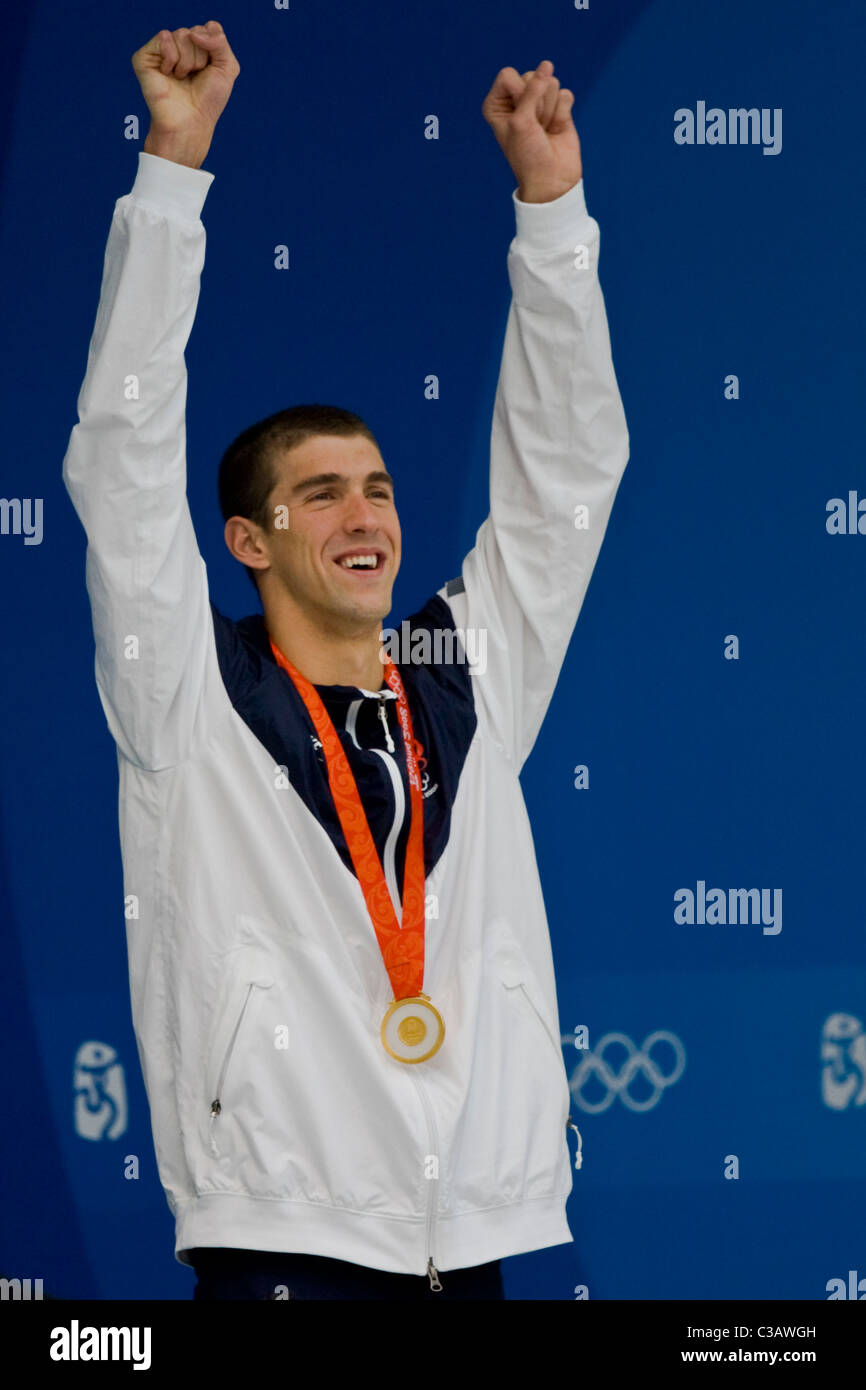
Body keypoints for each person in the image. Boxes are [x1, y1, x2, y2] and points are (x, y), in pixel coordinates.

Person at [62, 21, 630, 1300]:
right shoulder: (187, 697)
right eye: (318, 494)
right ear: (246, 540)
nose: (363, 514)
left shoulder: (464, 672)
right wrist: (171, 175)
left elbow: (568, 477)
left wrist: (552, 213)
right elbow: (121, 454)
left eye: (375, 487)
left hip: (473, 1238)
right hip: (280, 1243)